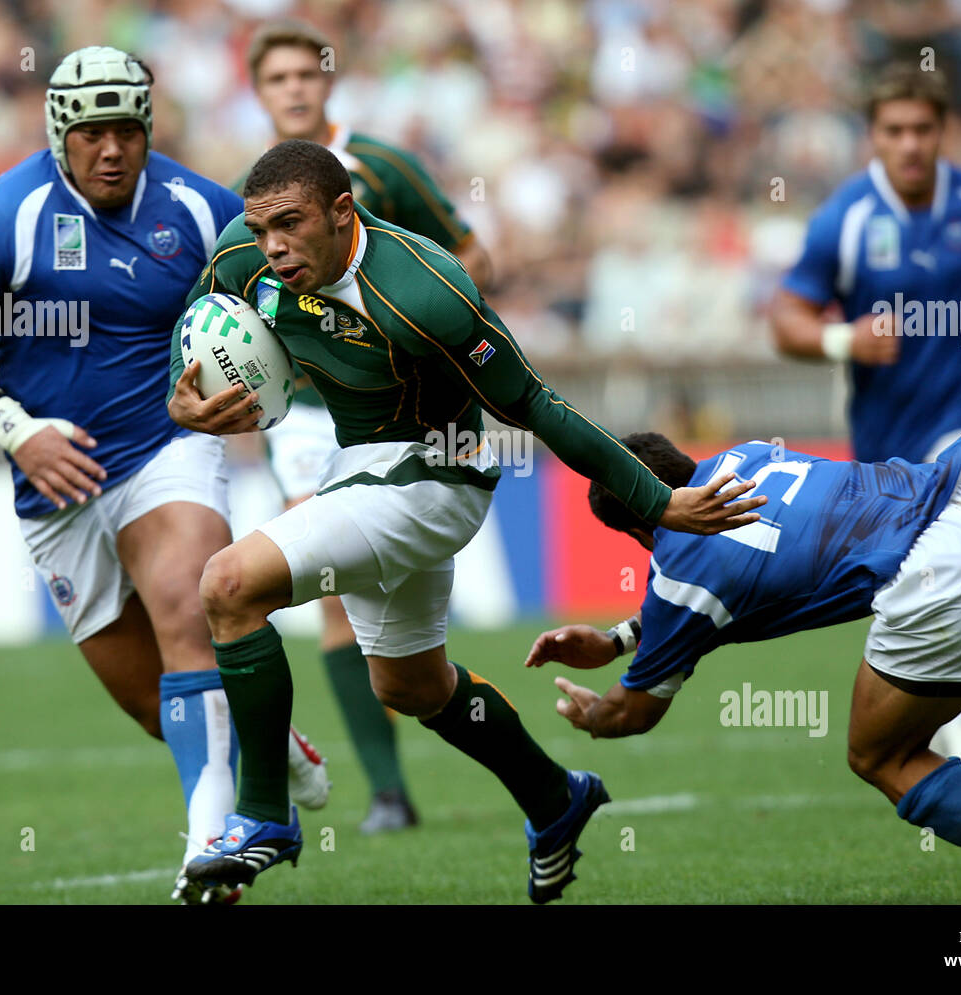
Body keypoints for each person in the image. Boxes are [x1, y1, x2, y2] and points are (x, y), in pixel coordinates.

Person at [165, 139, 767, 903]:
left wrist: (657, 499)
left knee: (227, 584)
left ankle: (262, 815)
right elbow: (191, 337)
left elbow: (537, 406)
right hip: (360, 469)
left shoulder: (428, 288)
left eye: (290, 223)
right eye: (261, 228)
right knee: (412, 686)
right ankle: (556, 798)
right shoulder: (243, 255)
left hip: (436, 476)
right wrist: (178, 401)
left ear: (343, 211)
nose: (273, 245)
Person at [0, 46, 327, 906]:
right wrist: (15, 431)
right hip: (53, 480)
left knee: (186, 605)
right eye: (91, 133)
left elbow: (286, 317)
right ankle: (275, 746)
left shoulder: (204, 212)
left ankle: (213, 847)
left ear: (147, 129)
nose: (111, 150)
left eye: (126, 130)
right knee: (151, 700)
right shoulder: (7, 214)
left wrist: (252, 394)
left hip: (169, 447)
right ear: (61, 134)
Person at [529, 428, 961, 904]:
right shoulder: (749, 453)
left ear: (636, 530)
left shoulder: (680, 575)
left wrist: (594, 718)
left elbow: (635, 709)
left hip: (945, 571)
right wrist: (618, 639)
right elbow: (741, 581)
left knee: (880, 756)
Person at [231, 19, 495, 833]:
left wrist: (427, 338)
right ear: (259, 91)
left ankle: (463, 744)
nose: (295, 90)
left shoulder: (381, 167)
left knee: (400, 644)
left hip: (399, 421)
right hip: (307, 418)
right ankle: (388, 791)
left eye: (306, 75)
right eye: (277, 80)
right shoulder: (255, 193)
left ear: (329, 81)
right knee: (336, 602)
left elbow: (470, 255)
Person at [769, 63, 961, 776]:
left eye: (922, 130)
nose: (909, 144)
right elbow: (786, 319)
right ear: (873, 135)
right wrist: (845, 338)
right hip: (886, 444)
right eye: (894, 130)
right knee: (927, 585)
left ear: (943, 132)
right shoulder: (844, 218)